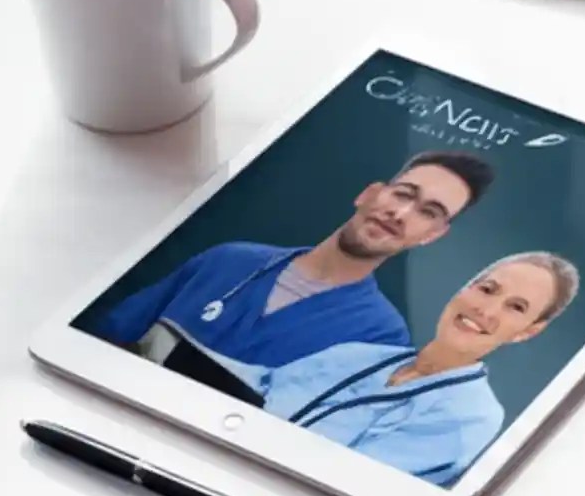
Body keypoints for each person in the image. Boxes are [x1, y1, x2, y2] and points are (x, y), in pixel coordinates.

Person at [89, 150, 496, 401]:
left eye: (428, 213)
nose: (401, 213)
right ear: (370, 194)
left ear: (431, 236)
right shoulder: (228, 262)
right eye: (403, 194)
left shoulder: (381, 339)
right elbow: (104, 341)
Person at [198, 251, 580, 488]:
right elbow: (254, 384)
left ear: (528, 331)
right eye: (487, 289)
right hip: (213, 465)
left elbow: (339, 485)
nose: (486, 309)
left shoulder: (471, 416)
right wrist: (172, 346)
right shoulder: (359, 355)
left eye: (516, 308)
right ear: (463, 289)